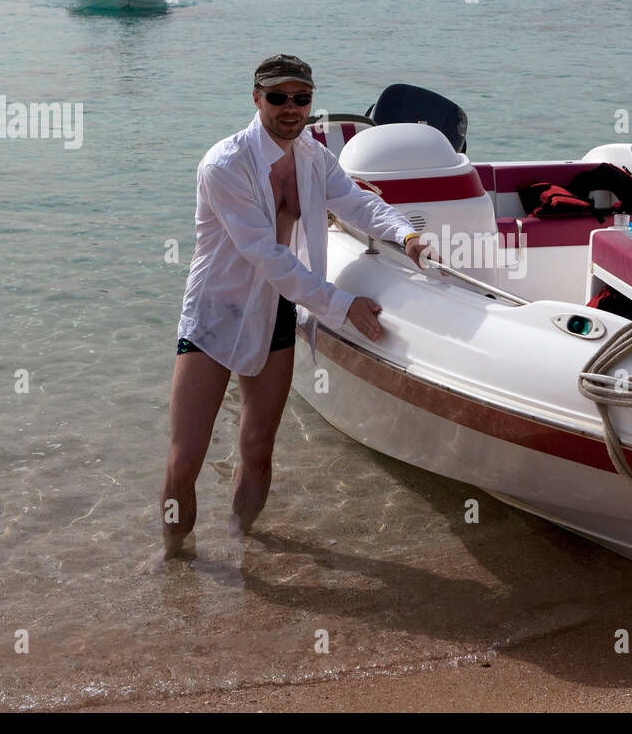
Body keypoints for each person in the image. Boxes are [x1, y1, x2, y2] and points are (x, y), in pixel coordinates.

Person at [143, 54, 431, 569]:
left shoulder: (314, 158)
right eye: (278, 97)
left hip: (275, 312)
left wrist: (405, 233)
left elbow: (357, 203)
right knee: (185, 458)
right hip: (216, 312)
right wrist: (342, 306)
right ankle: (174, 561)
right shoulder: (225, 164)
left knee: (258, 449)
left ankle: (241, 549)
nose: (291, 108)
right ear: (256, 99)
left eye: (301, 98)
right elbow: (268, 257)